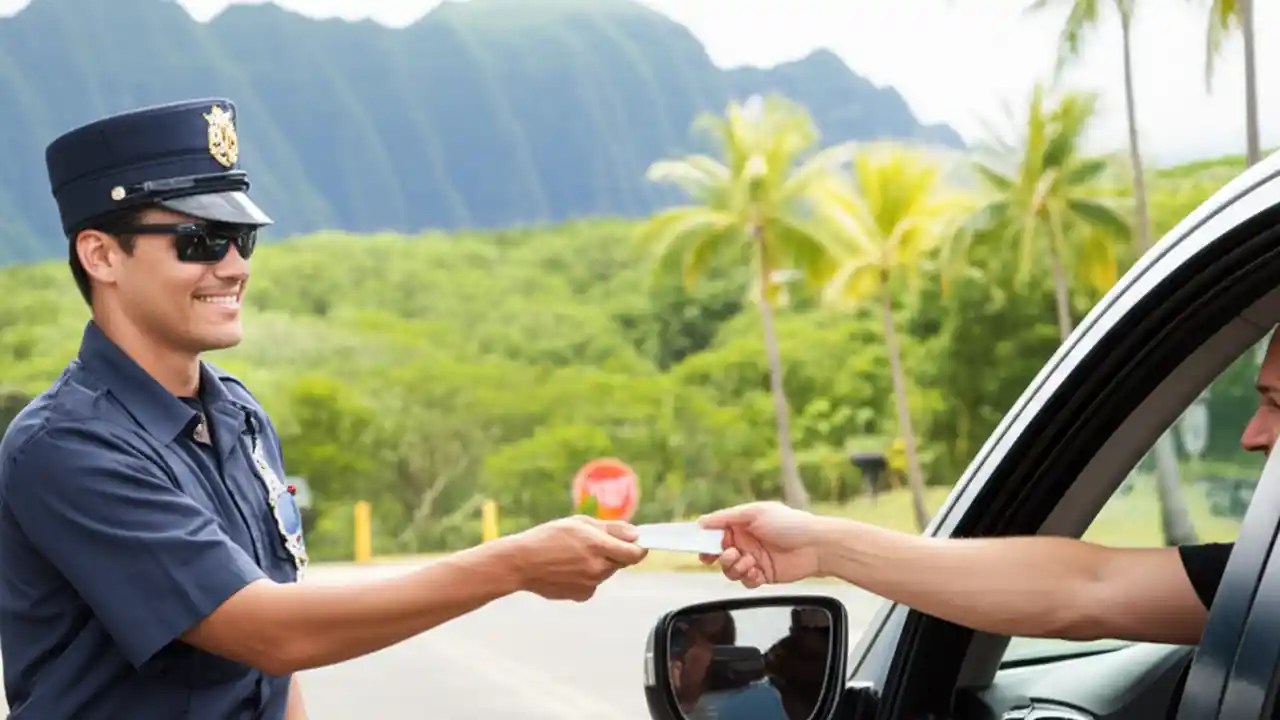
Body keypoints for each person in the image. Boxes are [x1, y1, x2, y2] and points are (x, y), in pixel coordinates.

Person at [0, 98, 648, 719]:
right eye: (200, 241)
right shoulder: (68, 445)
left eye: (242, 238)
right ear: (101, 255)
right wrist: (512, 565)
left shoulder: (237, 415)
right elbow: (265, 632)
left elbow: (273, 676)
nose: (233, 266)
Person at [698, 331, 1280, 647]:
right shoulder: (1267, 576)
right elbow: (1085, 588)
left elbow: (1085, 592)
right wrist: (823, 547)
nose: (1253, 436)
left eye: (1277, 406)